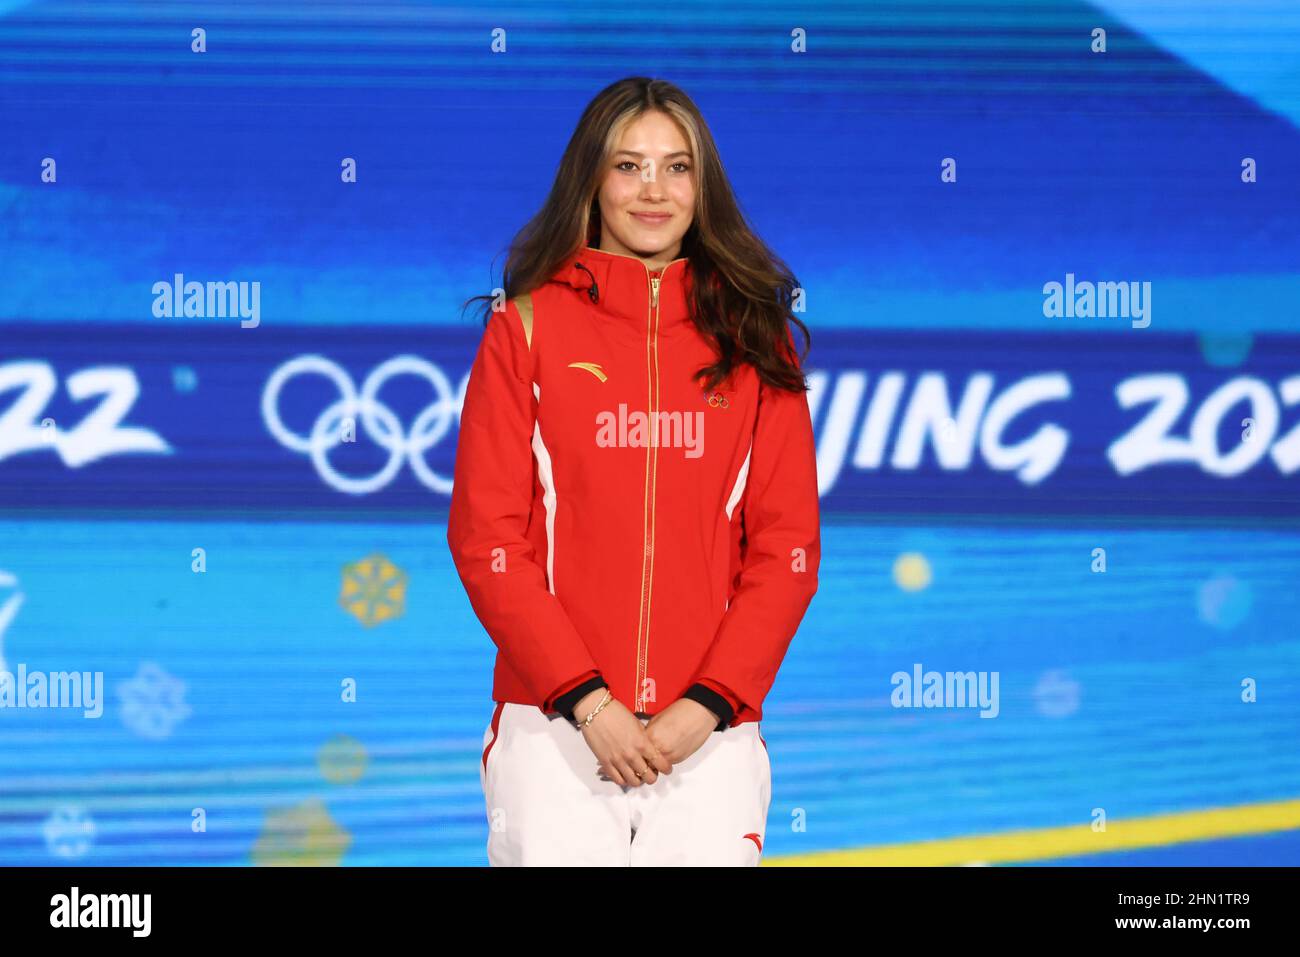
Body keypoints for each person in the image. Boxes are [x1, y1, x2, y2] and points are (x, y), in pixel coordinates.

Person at [447, 76, 820, 866]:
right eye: (629, 165)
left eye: (677, 167)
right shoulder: (525, 329)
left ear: (702, 184)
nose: (654, 189)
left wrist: (709, 704)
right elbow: (489, 543)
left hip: (711, 735)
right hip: (552, 730)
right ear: (591, 180)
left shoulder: (758, 340)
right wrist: (588, 702)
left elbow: (787, 553)